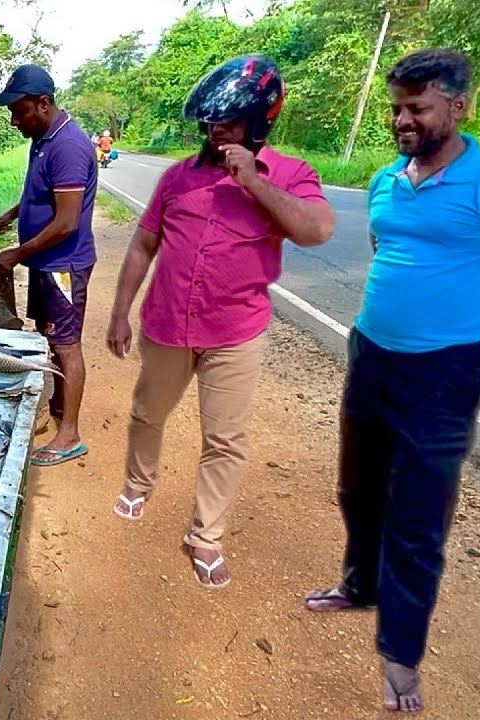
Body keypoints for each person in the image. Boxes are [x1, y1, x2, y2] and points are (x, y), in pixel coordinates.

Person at [304, 48, 480, 714]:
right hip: (372, 354)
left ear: (457, 106)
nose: (401, 120)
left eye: (416, 108)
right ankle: (359, 586)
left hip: (443, 373)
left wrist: (468, 314)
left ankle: (402, 658)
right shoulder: (387, 179)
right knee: (357, 489)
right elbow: (390, 250)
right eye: (395, 107)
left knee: (416, 521)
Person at [106, 54, 334, 588]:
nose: (215, 131)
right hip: (166, 323)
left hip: (236, 333)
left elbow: (317, 230)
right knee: (146, 413)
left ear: (260, 120)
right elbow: (143, 245)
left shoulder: (290, 175)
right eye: (209, 122)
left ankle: (205, 536)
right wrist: (119, 312)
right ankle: (139, 484)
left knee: (225, 440)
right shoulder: (176, 178)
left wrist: (253, 182)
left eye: (228, 122)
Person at [0, 63, 97, 466]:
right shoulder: (44, 136)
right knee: (49, 336)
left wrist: (17, 254)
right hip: (45, 263)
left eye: (19, 111)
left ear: (44, 103)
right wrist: (14, 213)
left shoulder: (67, 145)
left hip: (62, 266)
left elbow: (67, 221)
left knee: (67, 346)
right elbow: (42, 194)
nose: (14, 120)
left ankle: (70, 435)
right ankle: (57, 408)